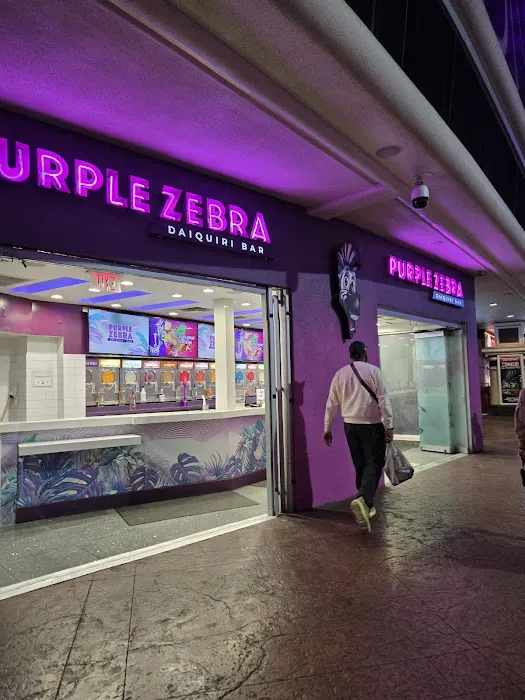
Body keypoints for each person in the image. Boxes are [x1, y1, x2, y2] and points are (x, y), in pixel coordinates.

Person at [324, 340, 394, 532]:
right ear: (365, 353)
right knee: (375, 462)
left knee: (360, 463)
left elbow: (331, 403)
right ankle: (363, 499)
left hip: (349, 426)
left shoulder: (340, 374)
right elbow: (384, 399)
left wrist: (327, 428)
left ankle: (366, 504)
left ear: (350, 355)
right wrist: (389, 425)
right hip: (371, 425)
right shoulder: (373, 371)